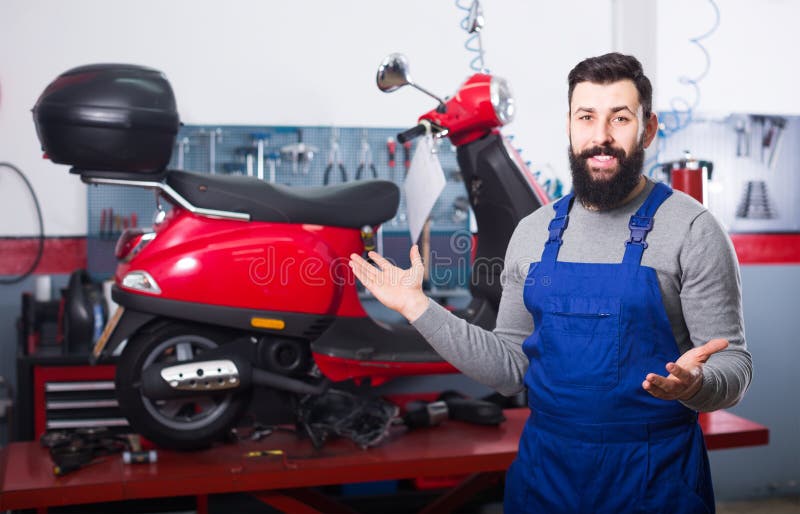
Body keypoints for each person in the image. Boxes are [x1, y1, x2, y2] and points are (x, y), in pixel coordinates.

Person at [349, 52, 751, 514]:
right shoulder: (534, 232)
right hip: (548, 475)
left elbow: (734, 366)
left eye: (620, 118)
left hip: (651, 477)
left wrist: (696, 386)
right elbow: (508, 368)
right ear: (569, 125)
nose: (601, 137)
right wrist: (416, 307)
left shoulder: (693, 229)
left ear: (649, 128)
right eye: (587, 117)